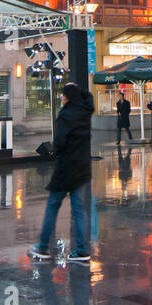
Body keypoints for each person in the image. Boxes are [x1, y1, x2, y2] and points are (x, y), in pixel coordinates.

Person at [30, 82, 95, 263]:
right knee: (79, 210)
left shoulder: (65, 115)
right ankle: (82, 250)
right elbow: (89, 98)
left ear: (67, 97)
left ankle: (42, 246)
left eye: (63, 94)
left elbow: (58, 143)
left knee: (52, 206)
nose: (61, 97)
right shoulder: (84, 112)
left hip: (66, 169)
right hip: (82, 168)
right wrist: (77, 88)